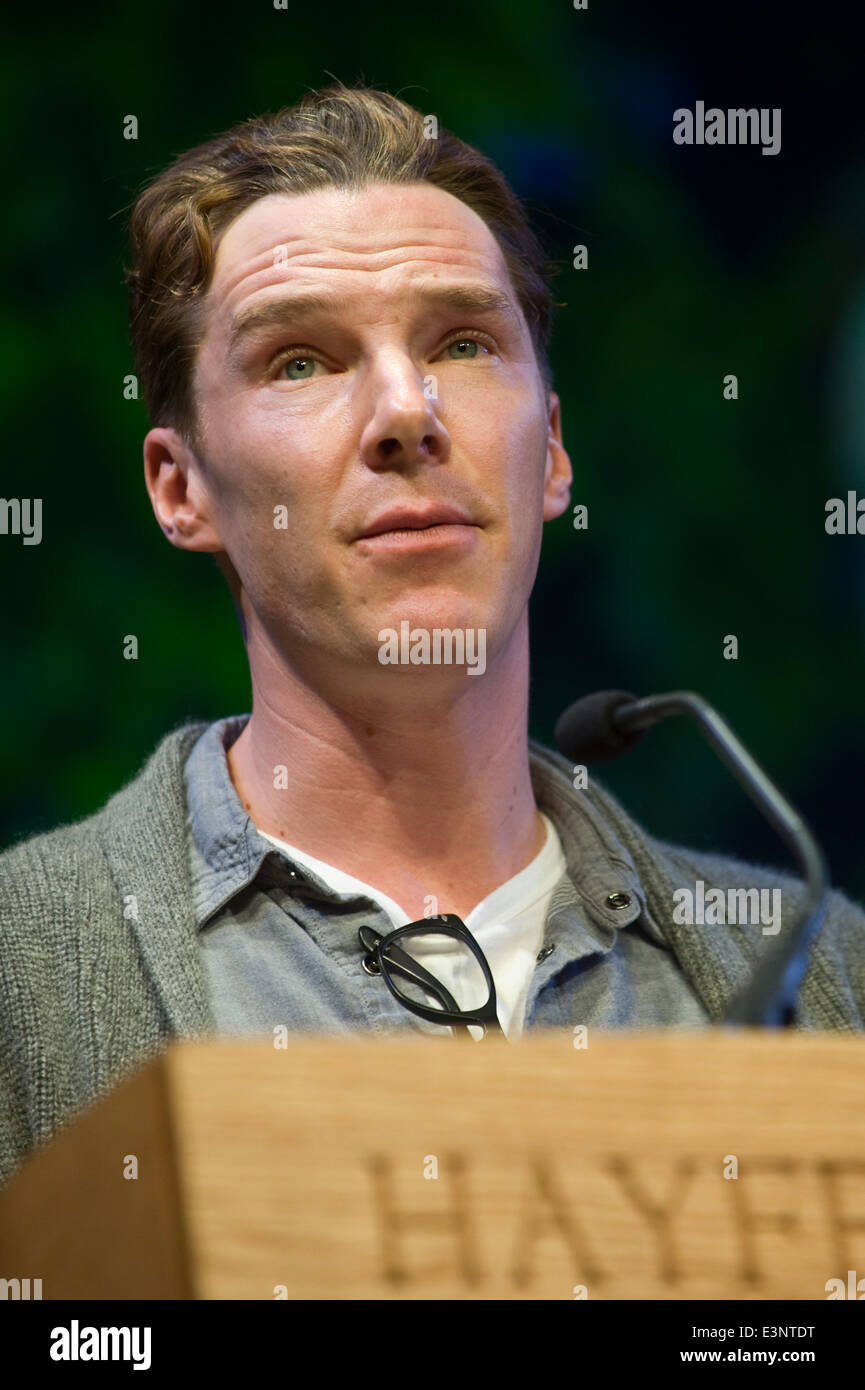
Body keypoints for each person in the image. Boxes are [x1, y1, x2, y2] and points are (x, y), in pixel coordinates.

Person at [1, 84, 863, 1191]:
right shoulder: (29, 976)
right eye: (300, 361)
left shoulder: (816, 972)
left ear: (549, 452)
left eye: (460, 341)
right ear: (182, 488)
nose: (408, 410)